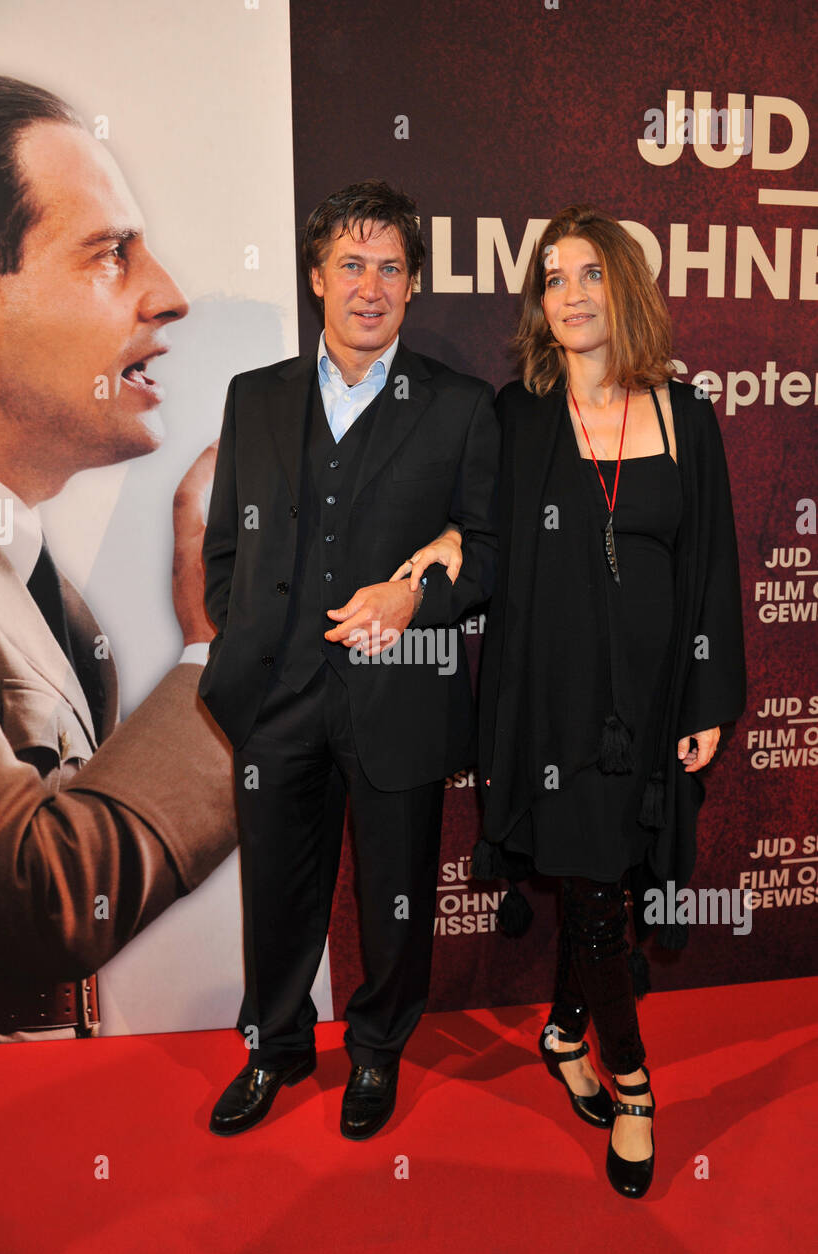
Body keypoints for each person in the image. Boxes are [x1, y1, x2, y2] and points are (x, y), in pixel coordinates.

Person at [198, 180, 499, 1141]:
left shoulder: (459, 407)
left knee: (394, 894)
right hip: (277, 698)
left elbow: (490, 552)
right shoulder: (257, 398)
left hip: (399, 697)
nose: (371, 287)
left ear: (413, 287)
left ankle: (375, 1050)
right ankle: (277, 1046)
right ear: (318, 277)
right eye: (352, 265)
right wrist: (248, 643)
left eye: (391, 268)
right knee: (277, 893)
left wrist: (419, 597)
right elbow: (225, 554)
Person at [473, 205, 746, 1197]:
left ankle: (558, 1030)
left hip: (654, 701)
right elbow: (477, 538)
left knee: (611, 883)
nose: (569, 294)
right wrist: (424, 563)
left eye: (587, 273)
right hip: (553, 712)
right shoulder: (517, 415)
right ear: (537, 306)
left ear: (621, 287)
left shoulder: (684, 412)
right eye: (551, 278)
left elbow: (710, 563)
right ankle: (631, 1088)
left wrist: (708, 694)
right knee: (593, 894)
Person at [0, 76, 237, 1040]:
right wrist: (222, 649)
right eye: (109, 255)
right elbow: (42, 892)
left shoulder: (45, 585)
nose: (166, 295)